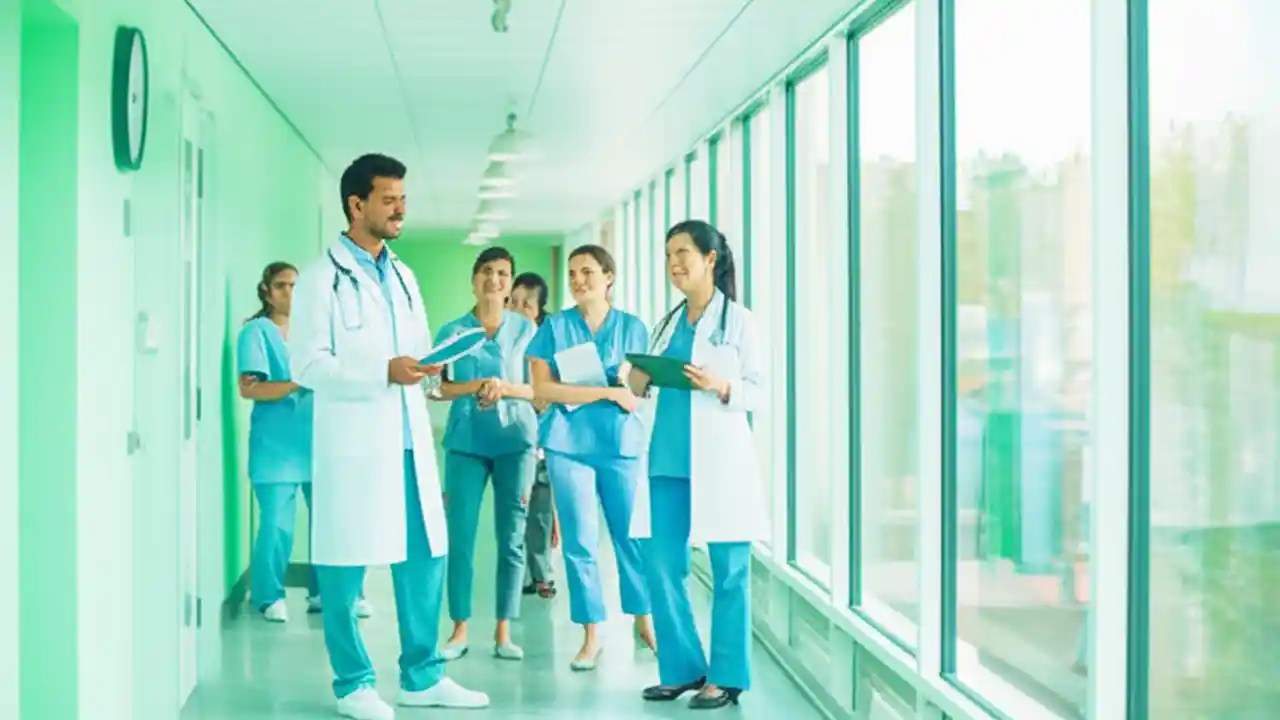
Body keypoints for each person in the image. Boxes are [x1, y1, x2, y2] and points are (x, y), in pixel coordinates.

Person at [289, 153, 488, 720]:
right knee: (345, 562)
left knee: (425, 554)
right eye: (389, 199)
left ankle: (422, 676)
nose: (401, 208)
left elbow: (418, 352)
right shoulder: (320, 277)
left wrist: (432, 372)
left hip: (407, 434)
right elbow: (306, 365)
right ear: (357, 205)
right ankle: (353, 683)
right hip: (354, 441)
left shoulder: (402, 274)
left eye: (403, 197)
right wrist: (382, 372)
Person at [627, 220, 769, 710]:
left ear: (711, 259)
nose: (674, 263)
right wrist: (637, 378)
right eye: (668, 254)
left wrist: (720, 385)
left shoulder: (741, 322)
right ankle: (683, 668)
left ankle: (727, 677)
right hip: (666, 459)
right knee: (662, 565)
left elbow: (761, 391)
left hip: (720, 463)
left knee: (730, 570)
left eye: (683, 253)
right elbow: (639, 389)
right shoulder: (666, 324)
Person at [525, 244, 656, 671]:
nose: (579, 280)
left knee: (630, 538)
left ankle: (644, 620)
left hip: (619, 444)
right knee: (579, 542)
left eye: (587, 272)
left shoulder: (634, 328)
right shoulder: (555, 328)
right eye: (573, 274)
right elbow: (543, 391)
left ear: (608, 277)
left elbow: (636, 393)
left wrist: (624, 391)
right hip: (568, 445)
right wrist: (603, 391)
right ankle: (591, 634)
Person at [433, 247, 539, 662]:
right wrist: (477, 385)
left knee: (511, 538)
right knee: (459, 536)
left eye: (503, 274)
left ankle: (503, 630)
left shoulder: (527, 331)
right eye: (487, 272)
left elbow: (538, 390)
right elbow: (436, 387)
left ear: (511, 283)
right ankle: (459, 628)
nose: (494, 280)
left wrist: (505, 388)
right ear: (474, 279)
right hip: (466, 444)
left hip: (516, 443)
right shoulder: (453, 332)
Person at [509, 272, 560, 600]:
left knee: (540, 506)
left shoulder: (551, 341)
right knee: (516, 507)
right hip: (514, 430)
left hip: (545, 430)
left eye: (526, 304)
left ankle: (542, 575)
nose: (518, 309)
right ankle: (520, 575)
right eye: (513, 302)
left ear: (539, 310)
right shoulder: (505, 338)